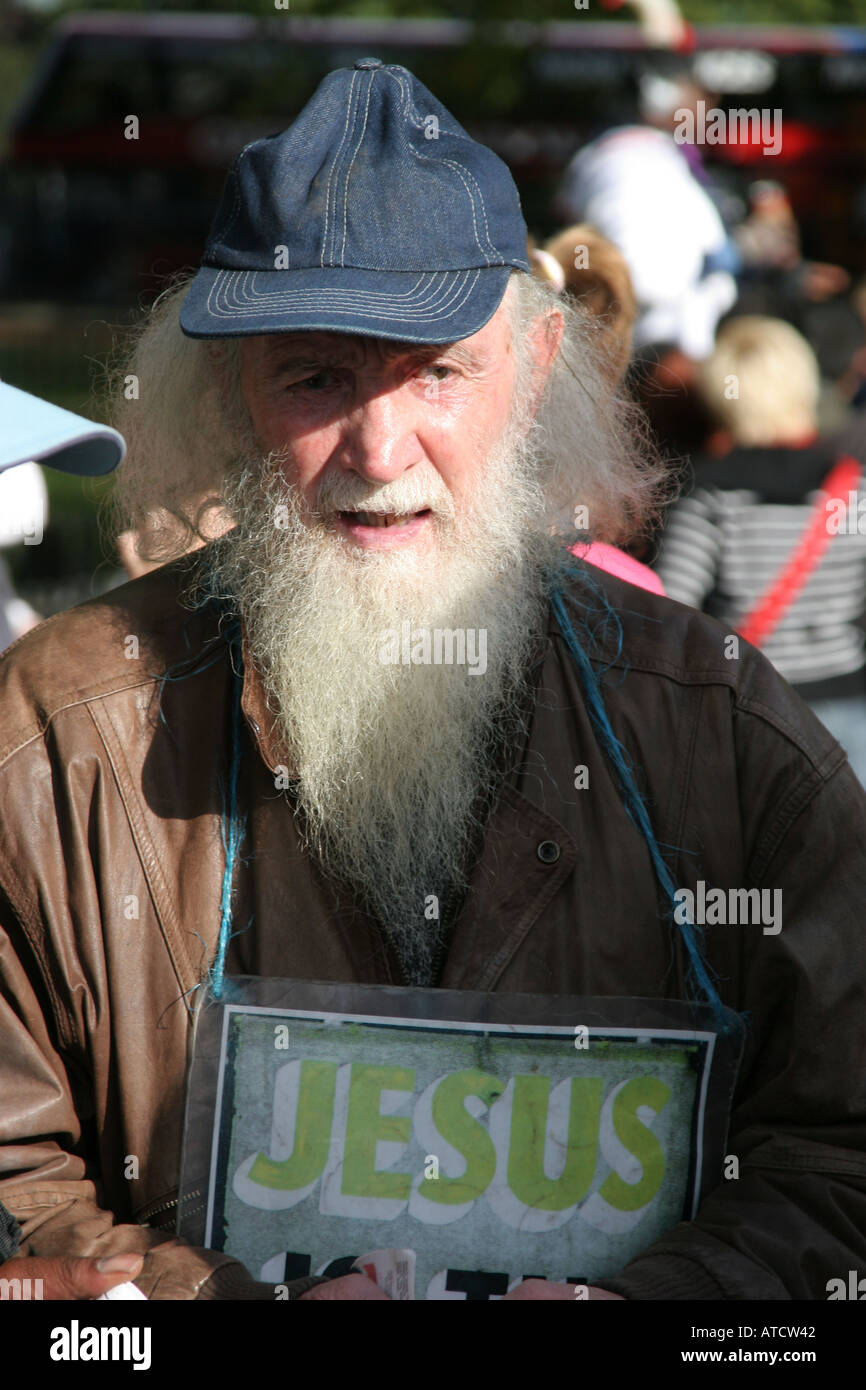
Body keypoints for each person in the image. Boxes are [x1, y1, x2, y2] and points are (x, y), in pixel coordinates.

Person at [1, 60, 865, 1303]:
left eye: (436, 374)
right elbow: (15, 1190)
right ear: (232, 398)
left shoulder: (719, 733)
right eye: (314, 376)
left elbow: (837, 1147)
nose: (379, 449)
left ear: (537, 364)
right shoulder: (56, 740)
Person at [655, 315, 866, 784]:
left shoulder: (711, 493)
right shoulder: (853, 488)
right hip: (849, 707)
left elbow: (672, 610)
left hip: (754, 709)